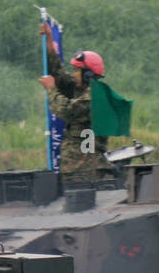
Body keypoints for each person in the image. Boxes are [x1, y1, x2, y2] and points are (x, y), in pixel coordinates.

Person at [39, 27, 108, 182]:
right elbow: (58, 74)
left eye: (76, 70)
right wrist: (49, 39)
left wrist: (51, 89)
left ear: (87, 75)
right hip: (78, 168)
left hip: (85, 170)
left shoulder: (94, 98)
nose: (73, 74)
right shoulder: (82, 89)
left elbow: (66, 110)